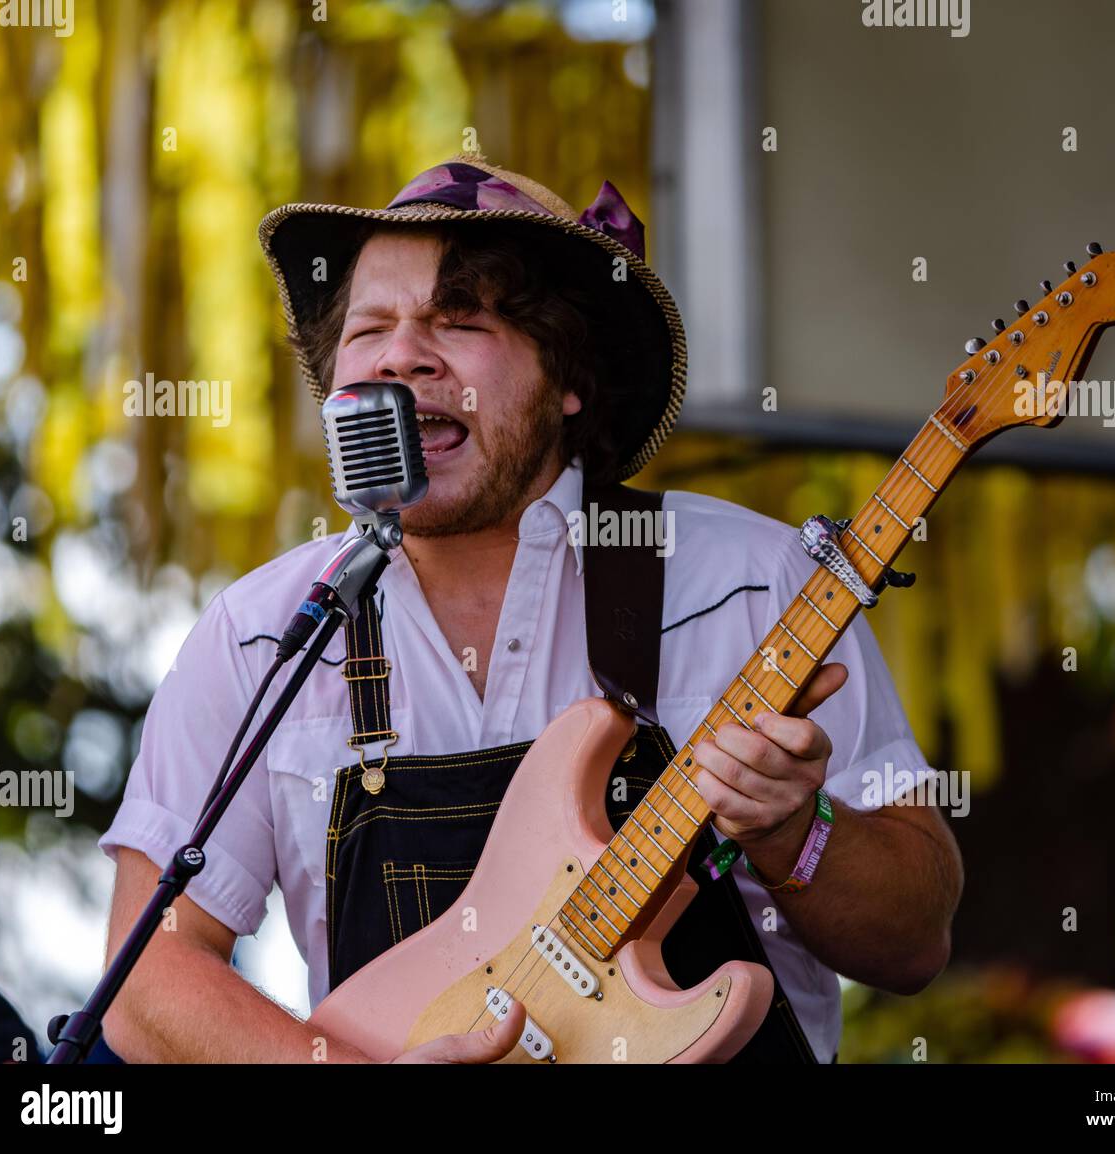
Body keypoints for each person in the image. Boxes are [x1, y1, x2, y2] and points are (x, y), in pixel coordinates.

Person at [98, 153, 963, 1064]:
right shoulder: (259, 634)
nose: (402, 354)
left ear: (567, 378)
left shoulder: (756, 582)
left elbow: (915, 942)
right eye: (370, 329)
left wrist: (797, 832)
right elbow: (144, 977)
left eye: (458, 319)